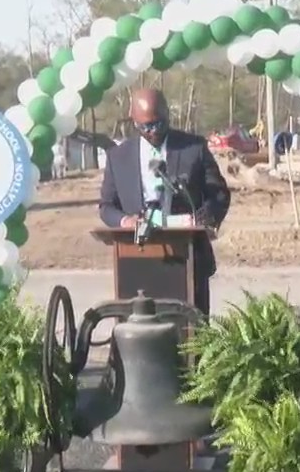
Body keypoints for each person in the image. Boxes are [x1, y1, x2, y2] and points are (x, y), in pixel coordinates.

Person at [95, 88, 230, 315]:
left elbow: (219, 194)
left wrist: (204, 217)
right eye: (145, 127)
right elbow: (106, 206)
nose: (153, 132)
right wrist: (124, 221)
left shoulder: (193, 148)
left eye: (158, 124)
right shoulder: (118, 157)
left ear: (167, 115)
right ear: (134, 123)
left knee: (192, 328)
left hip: (188, 258)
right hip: (137, 259)